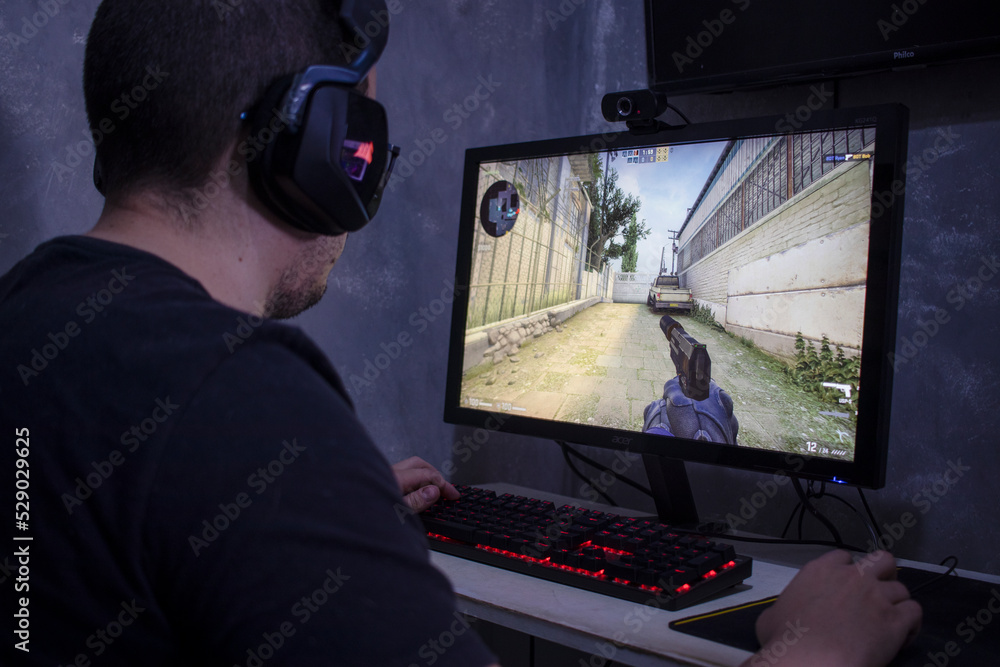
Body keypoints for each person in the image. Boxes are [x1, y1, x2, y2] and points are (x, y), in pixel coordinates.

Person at [0, 2, 919, 666]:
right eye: (364, 136)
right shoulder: (240, 399)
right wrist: (812, 650)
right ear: (318, 142)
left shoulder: (33, 314)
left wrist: (330, 524)